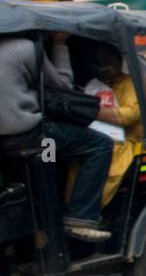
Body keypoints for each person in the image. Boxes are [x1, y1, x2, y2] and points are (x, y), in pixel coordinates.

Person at [0, 32, 113, 242]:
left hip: (8, 144)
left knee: (51, 155)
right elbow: (63, 85)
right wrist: (60, 43)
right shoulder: (24, 48)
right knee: (100, 144)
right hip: (31, 136)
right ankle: (80, 217)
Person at [88, 44, 144, 204]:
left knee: (103, 157)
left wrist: (92, 112)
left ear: (119, 62)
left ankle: (90, 209)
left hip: (127, 140)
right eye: (99, 61)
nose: (104, 64)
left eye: (107, 60)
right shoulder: (96, 85)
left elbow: (131, 115)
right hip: (100, 135)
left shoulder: (129, 83)